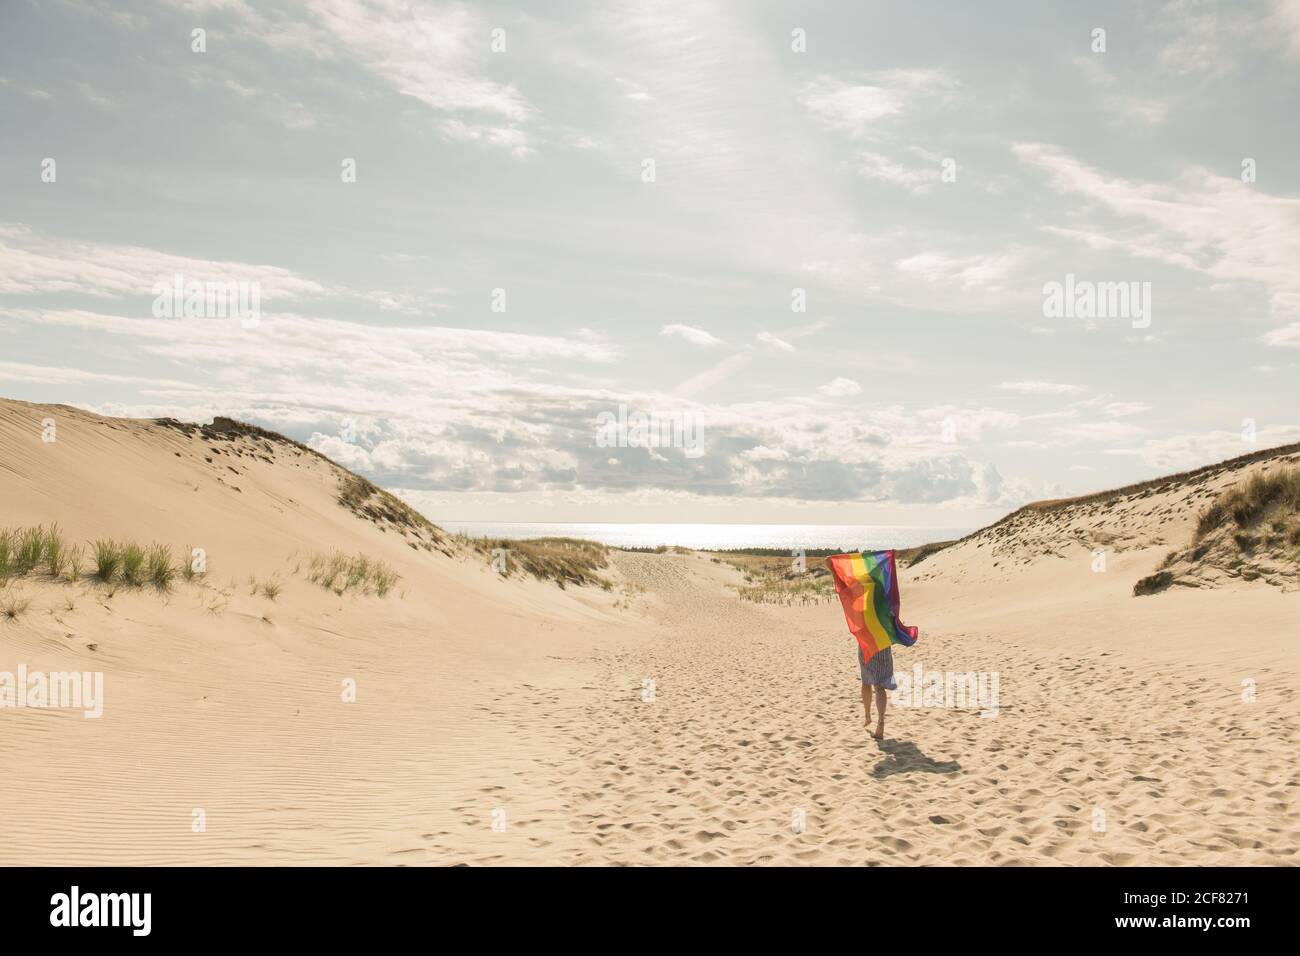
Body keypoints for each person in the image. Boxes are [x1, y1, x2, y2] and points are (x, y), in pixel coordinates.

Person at [858, 643, 895, 740]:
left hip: (866, 644)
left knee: (866, 682)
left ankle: (867, 716)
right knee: (879, 686)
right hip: (883, 646)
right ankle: (881, 722)